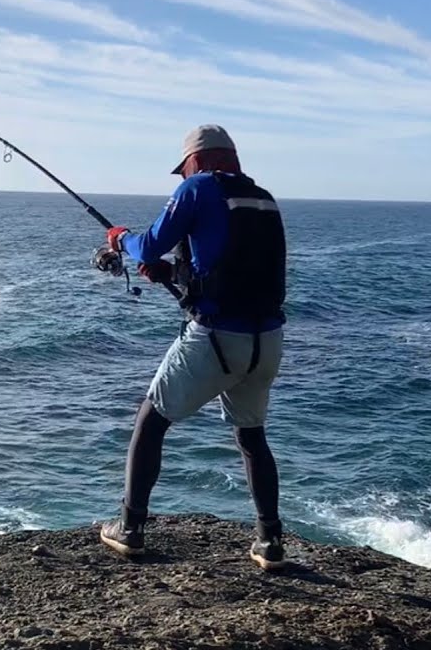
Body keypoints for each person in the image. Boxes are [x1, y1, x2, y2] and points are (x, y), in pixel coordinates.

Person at [98, 124, 289, 569]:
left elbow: (148, 243)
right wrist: (171, 274)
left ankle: (129, 528)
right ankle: (270, 541)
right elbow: (227, 267)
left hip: (217, 338)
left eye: (183, 169)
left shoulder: (199, 188)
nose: (182, 178)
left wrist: (121, 238)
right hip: (267, 341)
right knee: (252, 437)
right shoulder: (262, 198)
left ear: (199, 161)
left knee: (151, 419)